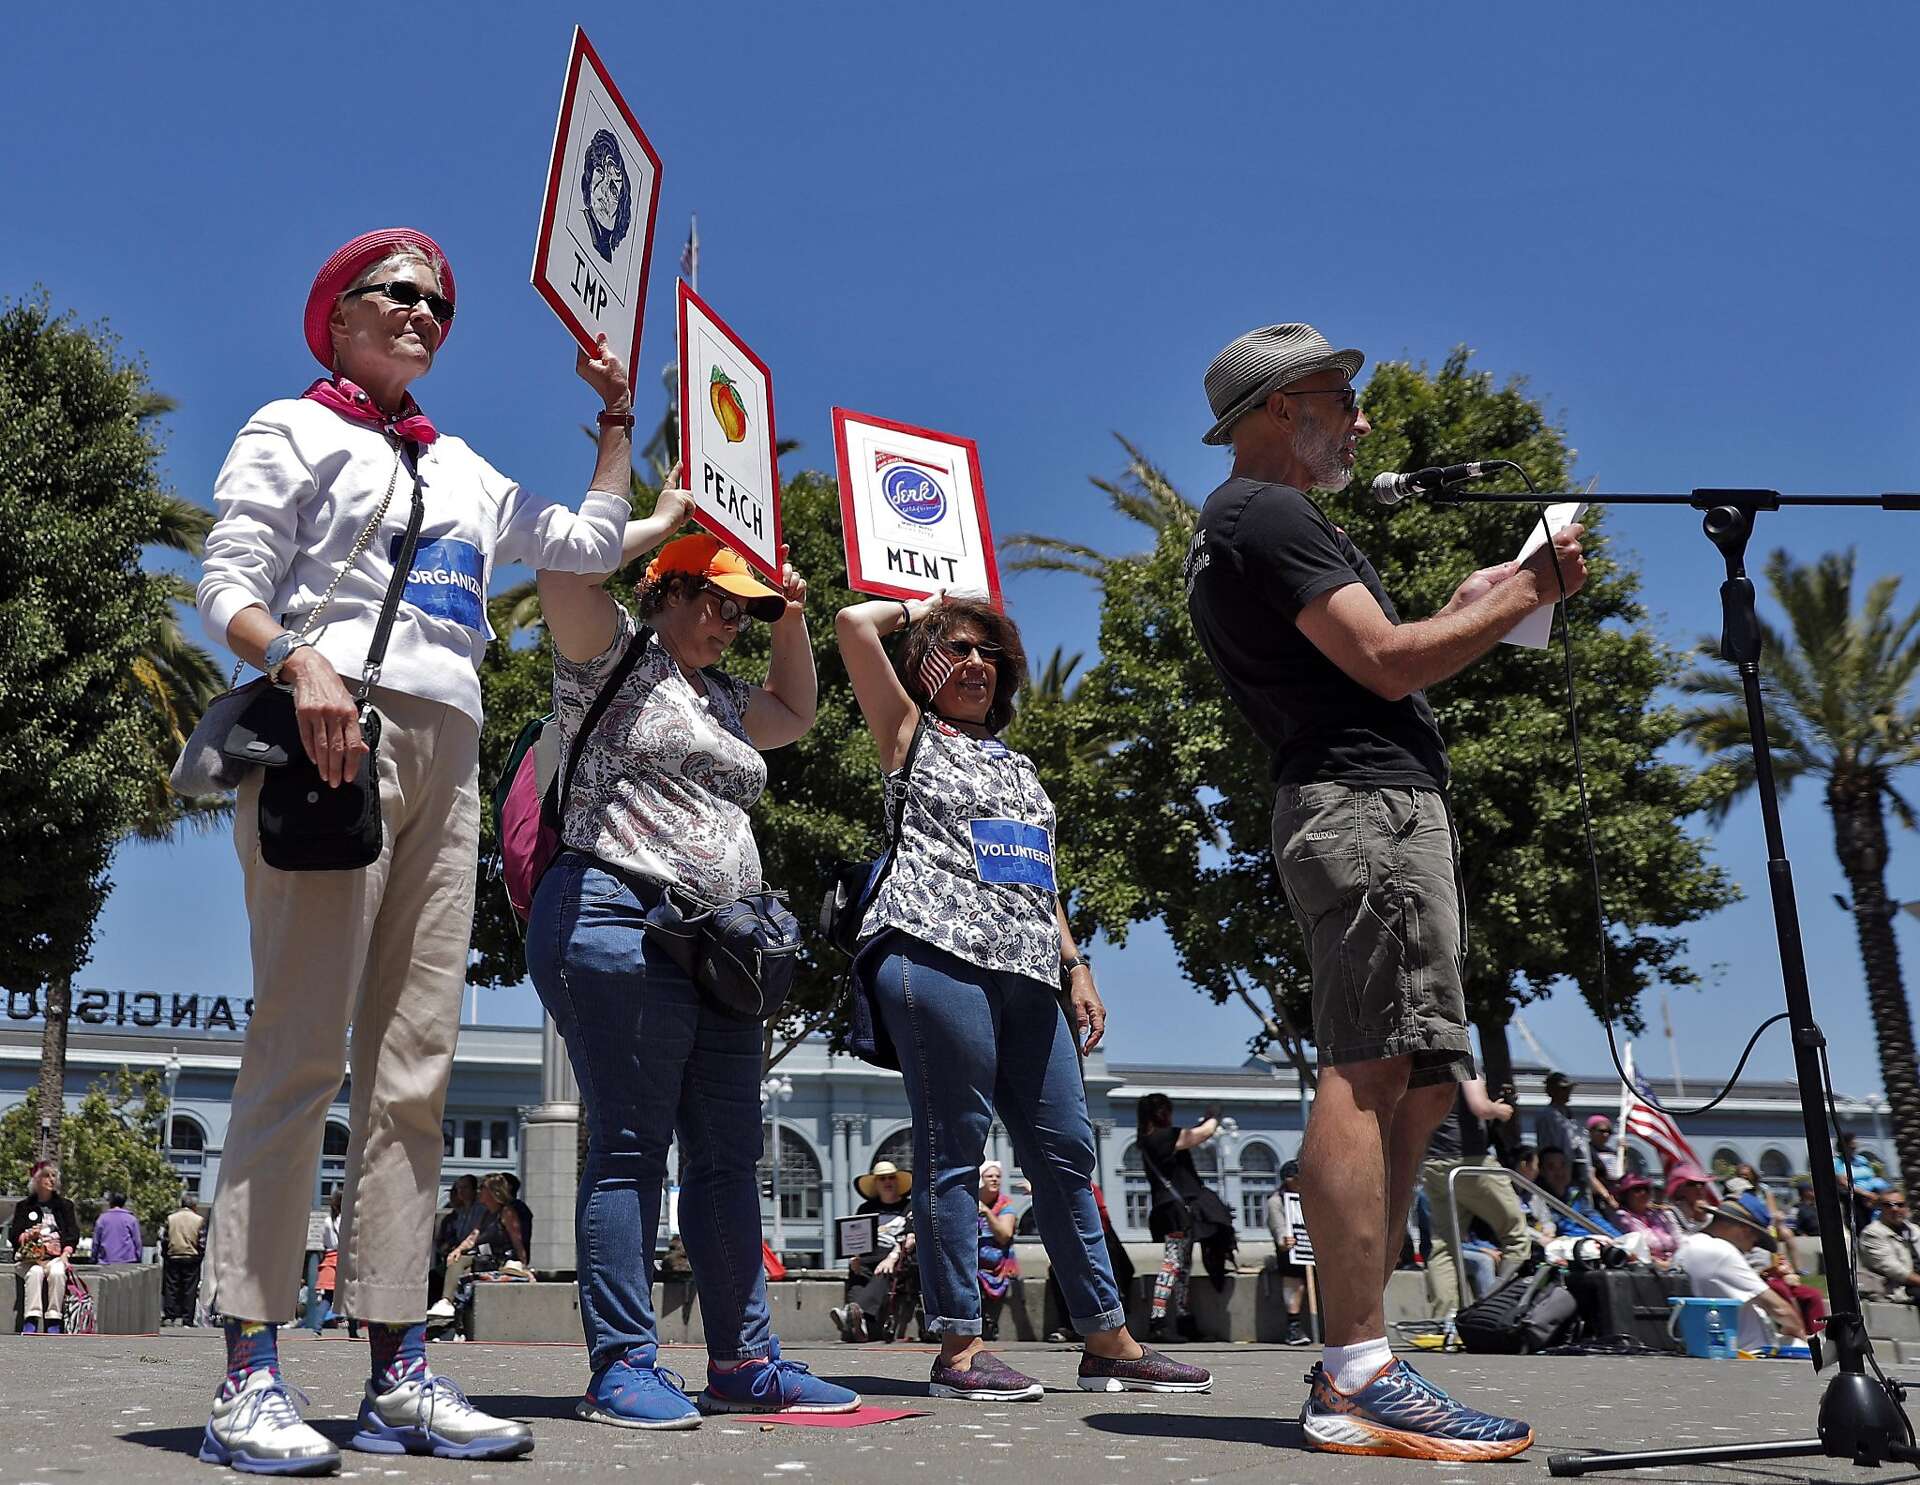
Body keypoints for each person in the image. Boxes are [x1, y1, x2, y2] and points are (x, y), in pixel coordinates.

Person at [192, 226, 652, 1469]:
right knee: (298, 1053)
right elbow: (224, 579)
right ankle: (251, 1367)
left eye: (438, 306)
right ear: (336, 316)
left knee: (415, 1071)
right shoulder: (290, 429)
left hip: (447, 754)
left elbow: (590, 544)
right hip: (330, 739)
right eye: (396, 295)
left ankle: (398, 1366)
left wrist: (616, 422)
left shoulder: (465, 470)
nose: (423, 315)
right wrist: (298, 659)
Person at [1184, 322, 1585, 1458]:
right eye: (1336, 399)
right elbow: (1392, 661)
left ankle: (1363, 1362)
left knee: (1411, 1075)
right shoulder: (1269, 513)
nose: (1360, 420)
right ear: (1275, 412)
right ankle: (1358, 1368)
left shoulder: (1247, 526)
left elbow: (1383, 649)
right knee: (1367, 1070)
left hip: (1368, 808)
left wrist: (1477, 600)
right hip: (1366, 814)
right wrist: (1526, 596)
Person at [836, 591, 1210, 1402]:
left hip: (1031, 973)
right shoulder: (908, 734)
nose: (975, 662)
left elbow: (1037, 874)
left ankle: (1108, 1338)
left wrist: (1076, 962)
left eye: (987, 652)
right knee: (954, 1153)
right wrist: (924, 603)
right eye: (956, 649)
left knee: (1068, 1153)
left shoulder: (1020, 768)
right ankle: (960, 1349)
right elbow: (851, 628)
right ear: (927, 666)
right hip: (935, 957)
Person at [528, 528, 859, 1429]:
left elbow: (796, 710)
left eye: (741, 612)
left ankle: (745, 1362)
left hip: (720, 947)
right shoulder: (614, 654)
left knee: (727, 1162)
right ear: (664, 589)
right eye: (716, 600)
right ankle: (624, 1363)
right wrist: (665, 505)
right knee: (632, 1145)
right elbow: (562, 568)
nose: (729, 623)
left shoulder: (720, 696)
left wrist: (789, 615)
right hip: (616, 914)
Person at [1419, 1079, 1529, 1314]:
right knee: (1516, 1235)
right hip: (1471, 1164)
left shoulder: (1421, 1069)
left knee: (1443, 1246)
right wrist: (1499, 1110)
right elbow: (1480, 1108)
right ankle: (1502, 1309)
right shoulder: (1464, 1066)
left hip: (1434, 1164)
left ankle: (1444, 1320)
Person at [1136, 1094, 1223, 1343]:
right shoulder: (1161, 1137)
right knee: (1173, 1263)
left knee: (1183, 1265)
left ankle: (1184, 1319)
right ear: (1162, 1112)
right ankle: (1158, 1321)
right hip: (1175, 1211)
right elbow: (1200, 1135)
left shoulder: (1146, 1139)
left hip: (1171, 1209)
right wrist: (1214, 1117)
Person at [1674, 1203, 1807, 1353]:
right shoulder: (1721, 1252)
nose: (1751, 1248)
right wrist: (1797, 1330)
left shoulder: (1686, 1245)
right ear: (1743, 1230)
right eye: (1754, 1240)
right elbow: (1780, 1309)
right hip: (1749, 1348)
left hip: (1709, 1341)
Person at [833, 1161, 916, 1343]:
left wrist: (892, 1257)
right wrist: (854, 1256)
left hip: (895, 1255)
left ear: (897, 1181)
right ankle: (857, 1321)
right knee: (857, 1271)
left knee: (884, 1270)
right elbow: (855, 1237)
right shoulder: (866, 1209)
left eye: (891, 1177)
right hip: (868, 1255)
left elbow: (911, 1238)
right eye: (882, 1179)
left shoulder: (910, 1207)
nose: (887, 1182)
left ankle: (852, 1315)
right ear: (876, 1184)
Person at [10, 1162, 79, 1335]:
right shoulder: (24, 1206)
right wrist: (28, 1236)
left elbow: (72, 1234)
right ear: (36, 1180)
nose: (51, 1180)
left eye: (54, 1176)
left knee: (57, 1272)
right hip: (29, 1258)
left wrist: (66, 1253)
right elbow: (14, 1236)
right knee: (35, 1273)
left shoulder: (65, 1206)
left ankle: (54, 1319)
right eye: (47, 1176)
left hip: (54, 1257)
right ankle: (31, 1318)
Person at [1264, 1160, 1314, 1345]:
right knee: (1294, 1277)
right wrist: (1284, 1240)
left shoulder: (1312, 1197)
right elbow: (1279, 1228)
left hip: (1314, 1249)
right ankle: (1293, 1327)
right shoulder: (1277, 1201)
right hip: (1292, 1252)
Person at [974, 1161, 1021, 1340]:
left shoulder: (1005, 1205)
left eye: (998, 1176)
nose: (995, 1179)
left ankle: (984, 1322)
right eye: (989, 1176)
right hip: (972, 1260)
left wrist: (986, 1212)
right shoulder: (969, 1201)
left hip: (995, 1265)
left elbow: (1004, 1235)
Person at [1858, 1189, 1920, 1301]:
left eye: (1900, 1205)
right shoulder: (1872, 1233)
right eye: (1888, 1205)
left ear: (1906, 1207)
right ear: (1880, 1208)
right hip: (1899, 1287)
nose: (1895, 1209)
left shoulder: (1913, 1229)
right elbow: (1894, 1269)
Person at [1611, 1174, 1685, 1266]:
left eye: (1646, 1189)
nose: (1643, 1193)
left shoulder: (1660, 1215)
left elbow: (1680, 1241)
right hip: (1647, 1268)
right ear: (1626, 1195)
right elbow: (1638, 1249)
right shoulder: (1623, 1217)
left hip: (1676, 1263)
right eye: (1637, 1190)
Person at [164, 1196, 208, 1326]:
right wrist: (199, 1257)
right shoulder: (199, 1220)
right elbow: (202, 1242)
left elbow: (165, 1239)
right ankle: (187, 1319)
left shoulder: (171, 1218)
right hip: (191, 1257)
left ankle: (169, 1316)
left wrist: (166, 1254)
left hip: (174, 1256)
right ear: (194, 1207)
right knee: (190, 1289)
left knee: (171, 1287)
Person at [93, 1191, 144, 1266]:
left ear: (110, 1202)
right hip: (127, 1262)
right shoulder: (131, 1219)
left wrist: (93, 1258)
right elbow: (137, 1242)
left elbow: (96, 1242)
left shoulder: (102, 1219)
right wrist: (138, 1258)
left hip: (106, 1262)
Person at [1666, 1162, 1718, 1228]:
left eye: (1702, 1183)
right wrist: (1698, 1220)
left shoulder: (1715, 1213)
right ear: (1679, 1189)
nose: (1699, 1188)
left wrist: (1702, 1218)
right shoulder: (1670, 1215)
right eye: (1692, 1184)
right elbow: (1679, 1237)